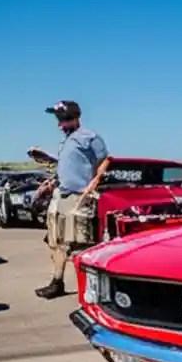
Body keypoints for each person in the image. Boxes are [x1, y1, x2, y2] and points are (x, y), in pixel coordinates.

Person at [35, 100, 110, 299]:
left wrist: (95, 181)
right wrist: (51, 184)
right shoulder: (66, 141)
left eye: (63, 120)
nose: (60, 125)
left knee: (80, 244)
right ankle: (56, 282)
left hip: (79, 196)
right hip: (61, 195)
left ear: (74, 118)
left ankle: (92, 288)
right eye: (59, 120)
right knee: (55, 241)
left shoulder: (89, 137)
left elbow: (105, 160)